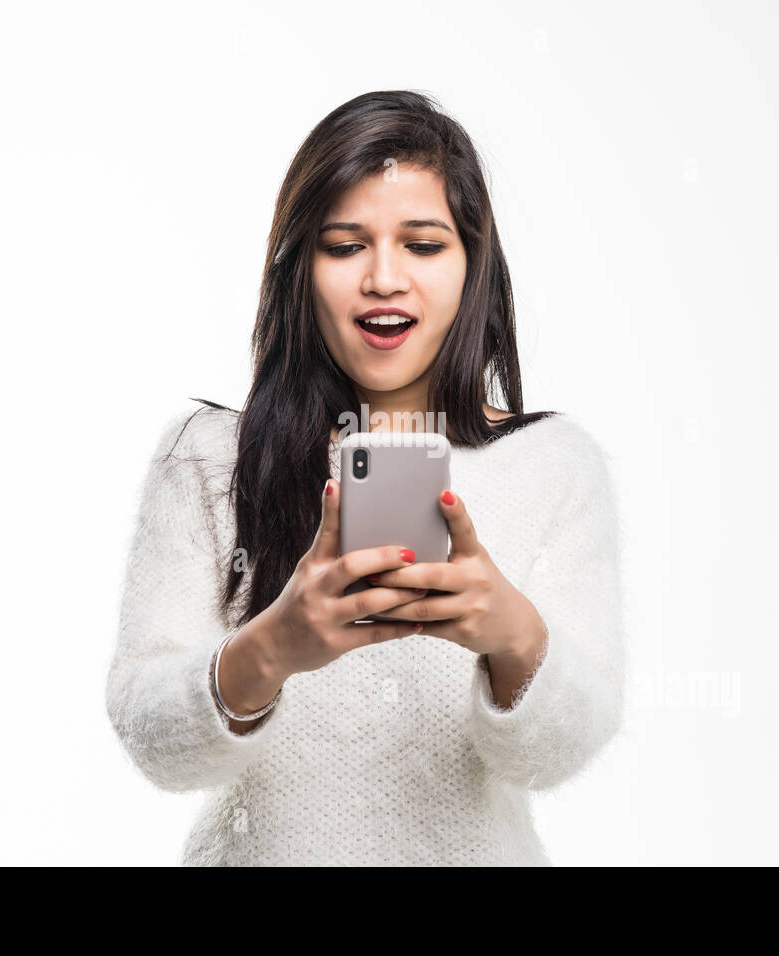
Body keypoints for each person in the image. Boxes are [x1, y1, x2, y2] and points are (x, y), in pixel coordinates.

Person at [105, 90, 625, 865]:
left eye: (423, 244)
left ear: (473, 264)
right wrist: (272, 648)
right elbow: (153, 739)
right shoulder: (210, 455)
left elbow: (561, 751)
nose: (384, 278)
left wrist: (510, 632)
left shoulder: (553, 464)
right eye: (345, 245)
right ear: (300, 267)